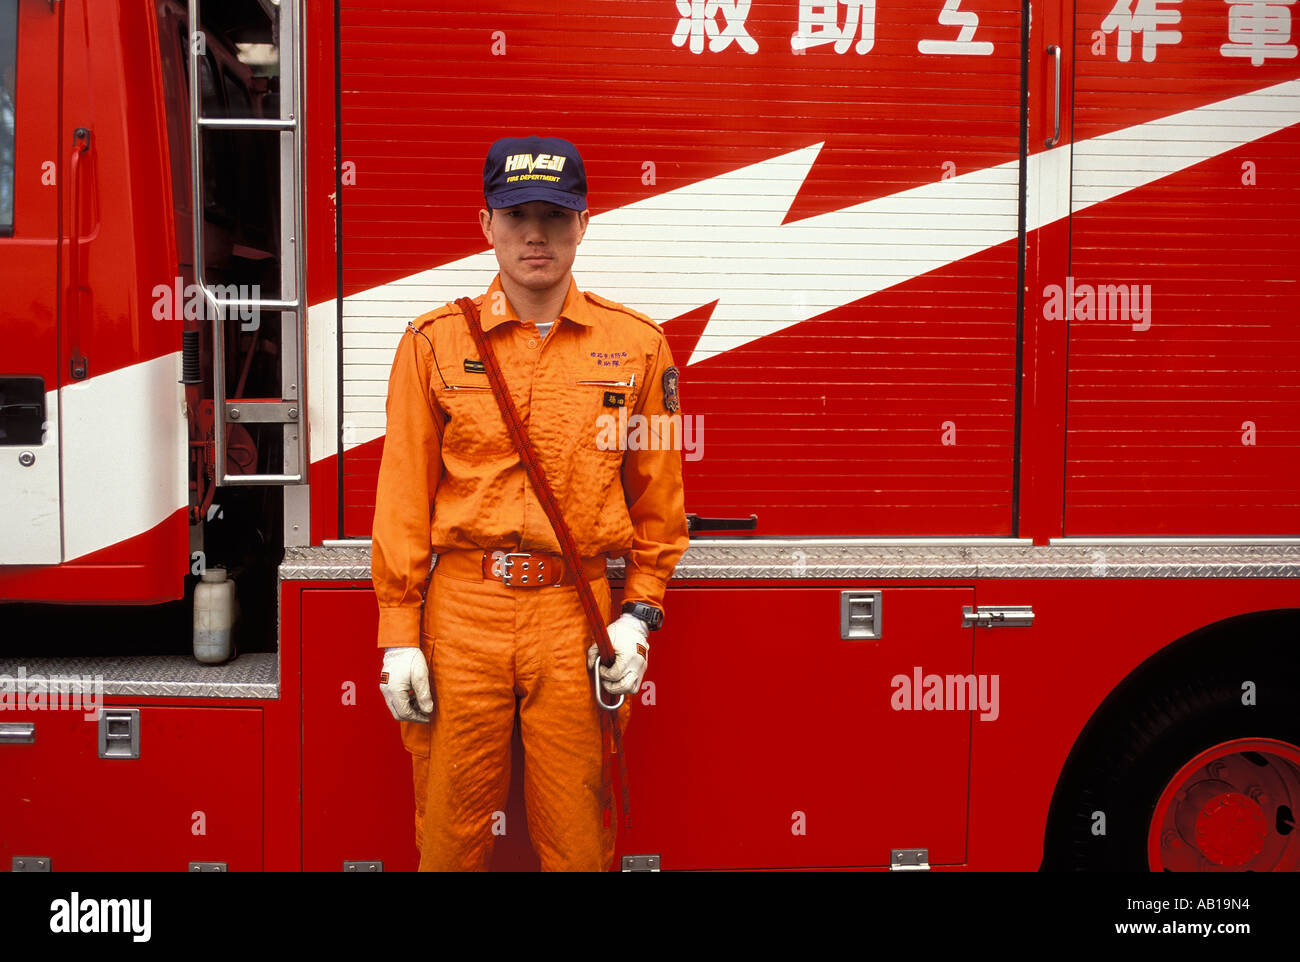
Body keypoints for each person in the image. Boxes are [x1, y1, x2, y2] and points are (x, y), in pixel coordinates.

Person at [370, 135, 689, 872]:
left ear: (584, 223)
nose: (536, 235)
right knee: (449, 839)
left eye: (555, 214)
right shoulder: (433, 344)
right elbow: (403, 499)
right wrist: (399, 632)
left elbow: (659, 499)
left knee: (578, 837)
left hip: (572, 615)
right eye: (517, 216)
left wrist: (639, 615)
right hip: (461, 615)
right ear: (486, 225)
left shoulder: (638, 348)